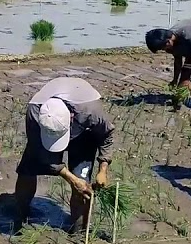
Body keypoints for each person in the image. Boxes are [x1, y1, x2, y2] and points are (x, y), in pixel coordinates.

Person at [12, 77, 115, 234]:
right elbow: (42, 154)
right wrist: (71, 179)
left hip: (83, 134)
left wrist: (103, 169)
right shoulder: (34, 112)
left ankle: (79, 230)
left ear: (71, 118)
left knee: (83, 183)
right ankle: (20, 213)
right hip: (43, 132)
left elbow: (107, 136)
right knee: (29, 168)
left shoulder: (91, 112)